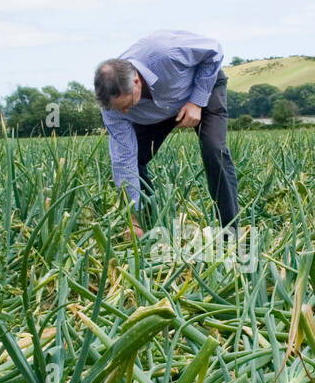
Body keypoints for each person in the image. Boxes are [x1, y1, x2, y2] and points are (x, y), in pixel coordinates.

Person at [94, 29, 239, 236]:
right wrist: (132, 218)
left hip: (201, 88)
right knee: (135, 159)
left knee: (214, 149)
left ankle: (230, 231)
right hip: (156, 111)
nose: (125, 113)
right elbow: (123, 160)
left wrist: (196, 102)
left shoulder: (164, 52)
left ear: (136, 82)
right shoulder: (114, 110)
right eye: (119, 109)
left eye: (127, 105)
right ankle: (148, 224)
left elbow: (213, 50)